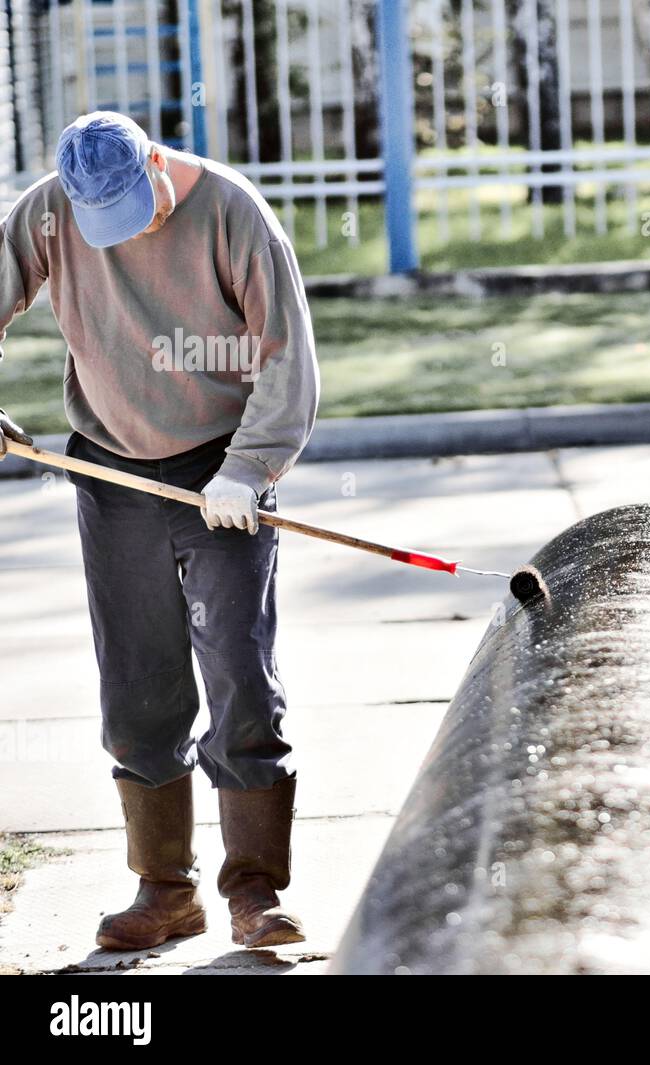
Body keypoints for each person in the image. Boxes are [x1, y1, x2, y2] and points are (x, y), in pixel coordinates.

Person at [0, 111, 320, 951]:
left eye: (132, 209)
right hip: (112, 469)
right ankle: (164, 889)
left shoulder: (232, 211)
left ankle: (254, 888)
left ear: (155, 161)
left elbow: (287, 354)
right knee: (138, 681)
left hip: (221, 471)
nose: (118, 234)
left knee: (239, 671)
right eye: (95, 219)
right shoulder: (46, 213)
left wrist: (249, 468)